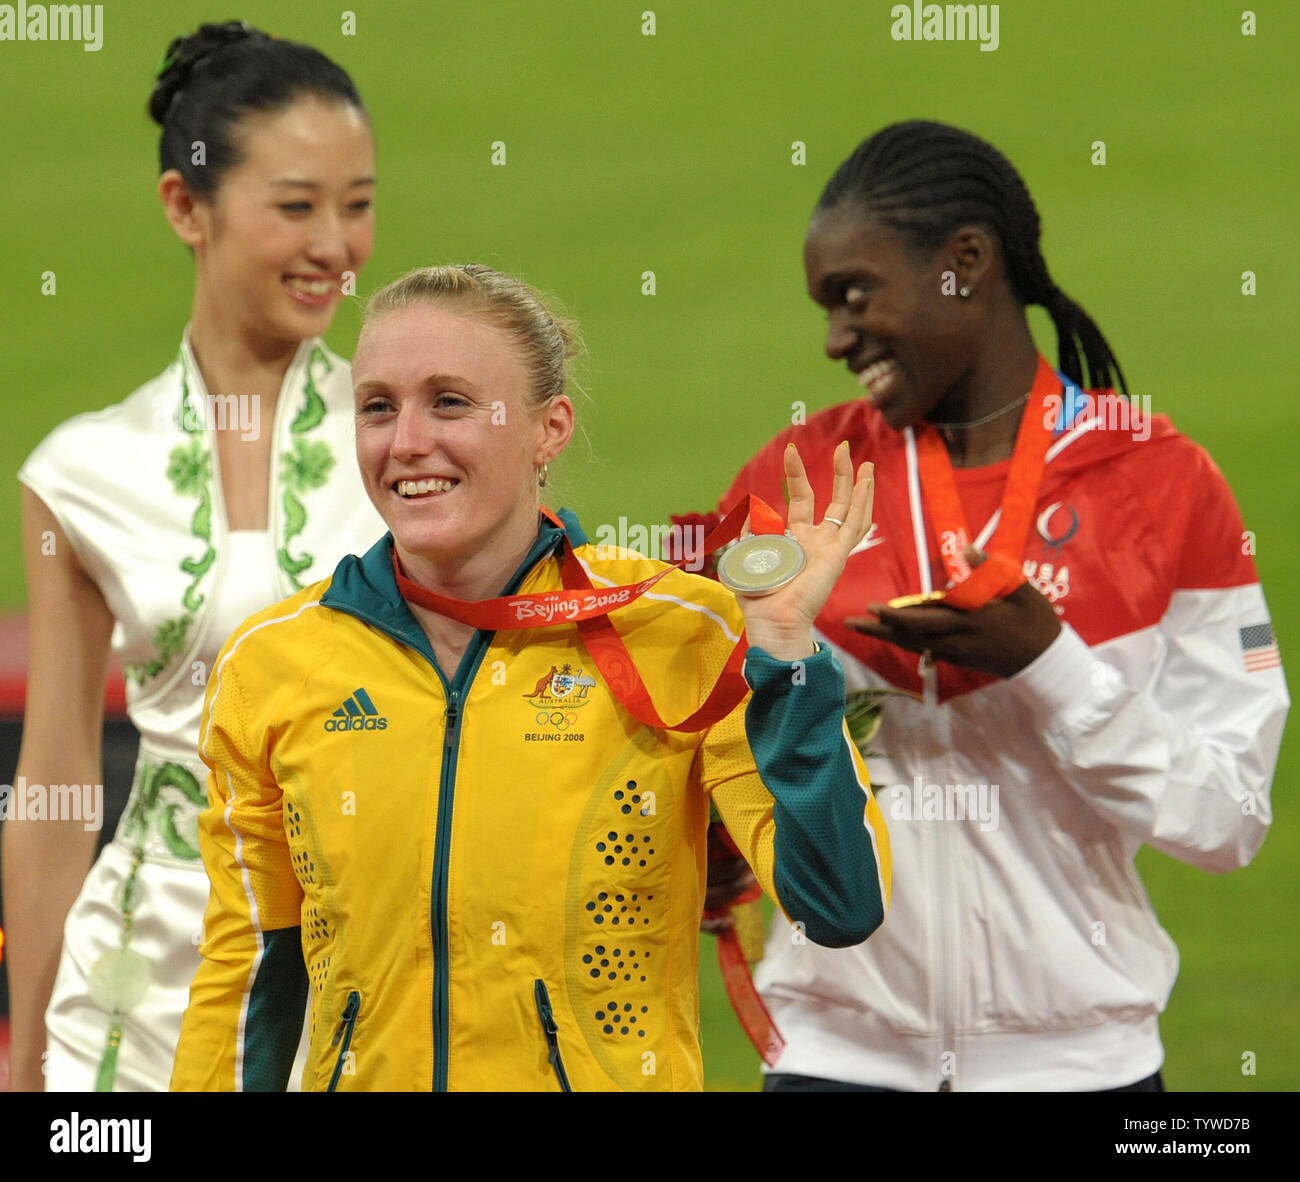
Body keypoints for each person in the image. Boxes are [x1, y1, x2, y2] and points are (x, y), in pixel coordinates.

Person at [168, 263, 891, 1092]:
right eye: (378, 406)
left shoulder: (680, 632)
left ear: (550, 429)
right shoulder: (274, 663)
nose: (406, 442)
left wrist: (788, 654)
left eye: (450, 402)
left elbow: (841, 905)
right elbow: (249, 971)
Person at [706, 120, 1288, 1091]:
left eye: (853, 296)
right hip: (833, 1059)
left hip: (1077, 1067)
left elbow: (1227, 819)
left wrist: (1050, 668)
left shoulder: (1162, 487)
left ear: (963, 263)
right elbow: (718, 752)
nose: (835, 339)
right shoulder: (798, 482)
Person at [5, 21, 381, 1092]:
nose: (337, 247)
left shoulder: (413, 444)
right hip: (127, 1009)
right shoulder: (79, 472)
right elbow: (58, 783)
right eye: (297, 205)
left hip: (358, 987)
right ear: (187, 206)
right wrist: (28, 1062)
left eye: (357, 205)